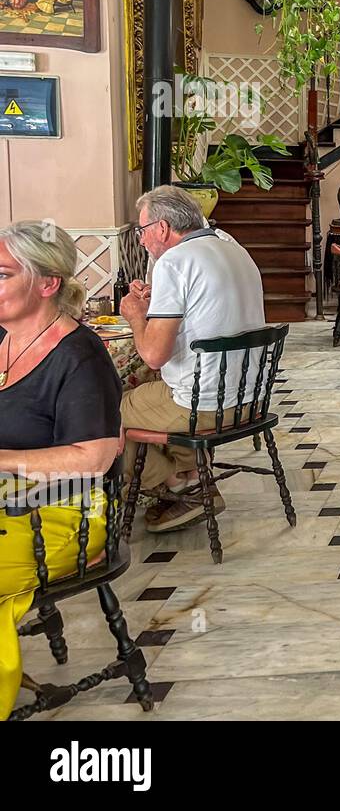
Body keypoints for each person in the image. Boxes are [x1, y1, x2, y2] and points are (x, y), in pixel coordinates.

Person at [0, 222, 121, 718]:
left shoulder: (80, 356)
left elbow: (94, 458)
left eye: (2, 274)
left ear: (46, 284)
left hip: (64, 508)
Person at [118, 186, 266, 532]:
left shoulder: (173, 261)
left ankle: (180, 484)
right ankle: (194, 474)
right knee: (164, 384)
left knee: (104, 411)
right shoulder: (232, 247)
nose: (141, 240)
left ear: (162, 228)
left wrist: (136, 315)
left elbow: (154, 356)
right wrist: (161, 300)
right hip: (250, 396)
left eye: (142, 231)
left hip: (205, 405)